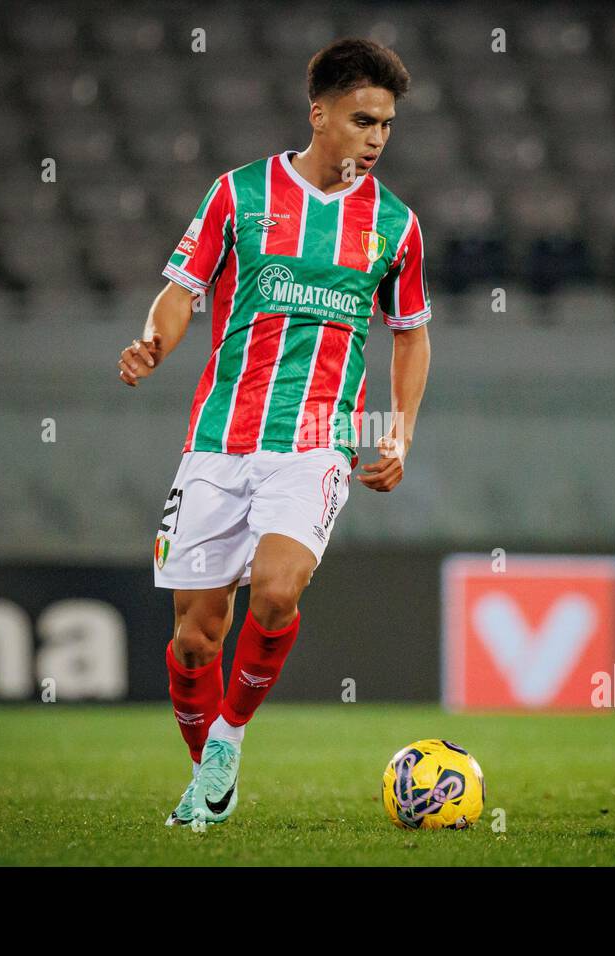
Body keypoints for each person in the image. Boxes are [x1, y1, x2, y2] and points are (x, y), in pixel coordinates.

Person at [119, 37, 433, 826]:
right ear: (319, 113)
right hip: (219, 439)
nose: (376, 138)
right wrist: (154, 341)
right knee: (197, 639)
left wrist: (392, 435)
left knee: (279, 588)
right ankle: (208, 778)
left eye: (387, 125)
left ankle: (227, 738)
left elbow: (409, 333)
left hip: (316, 440)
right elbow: (182, 290)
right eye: (364, 119)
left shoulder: (393, 224)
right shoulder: (238, 194)